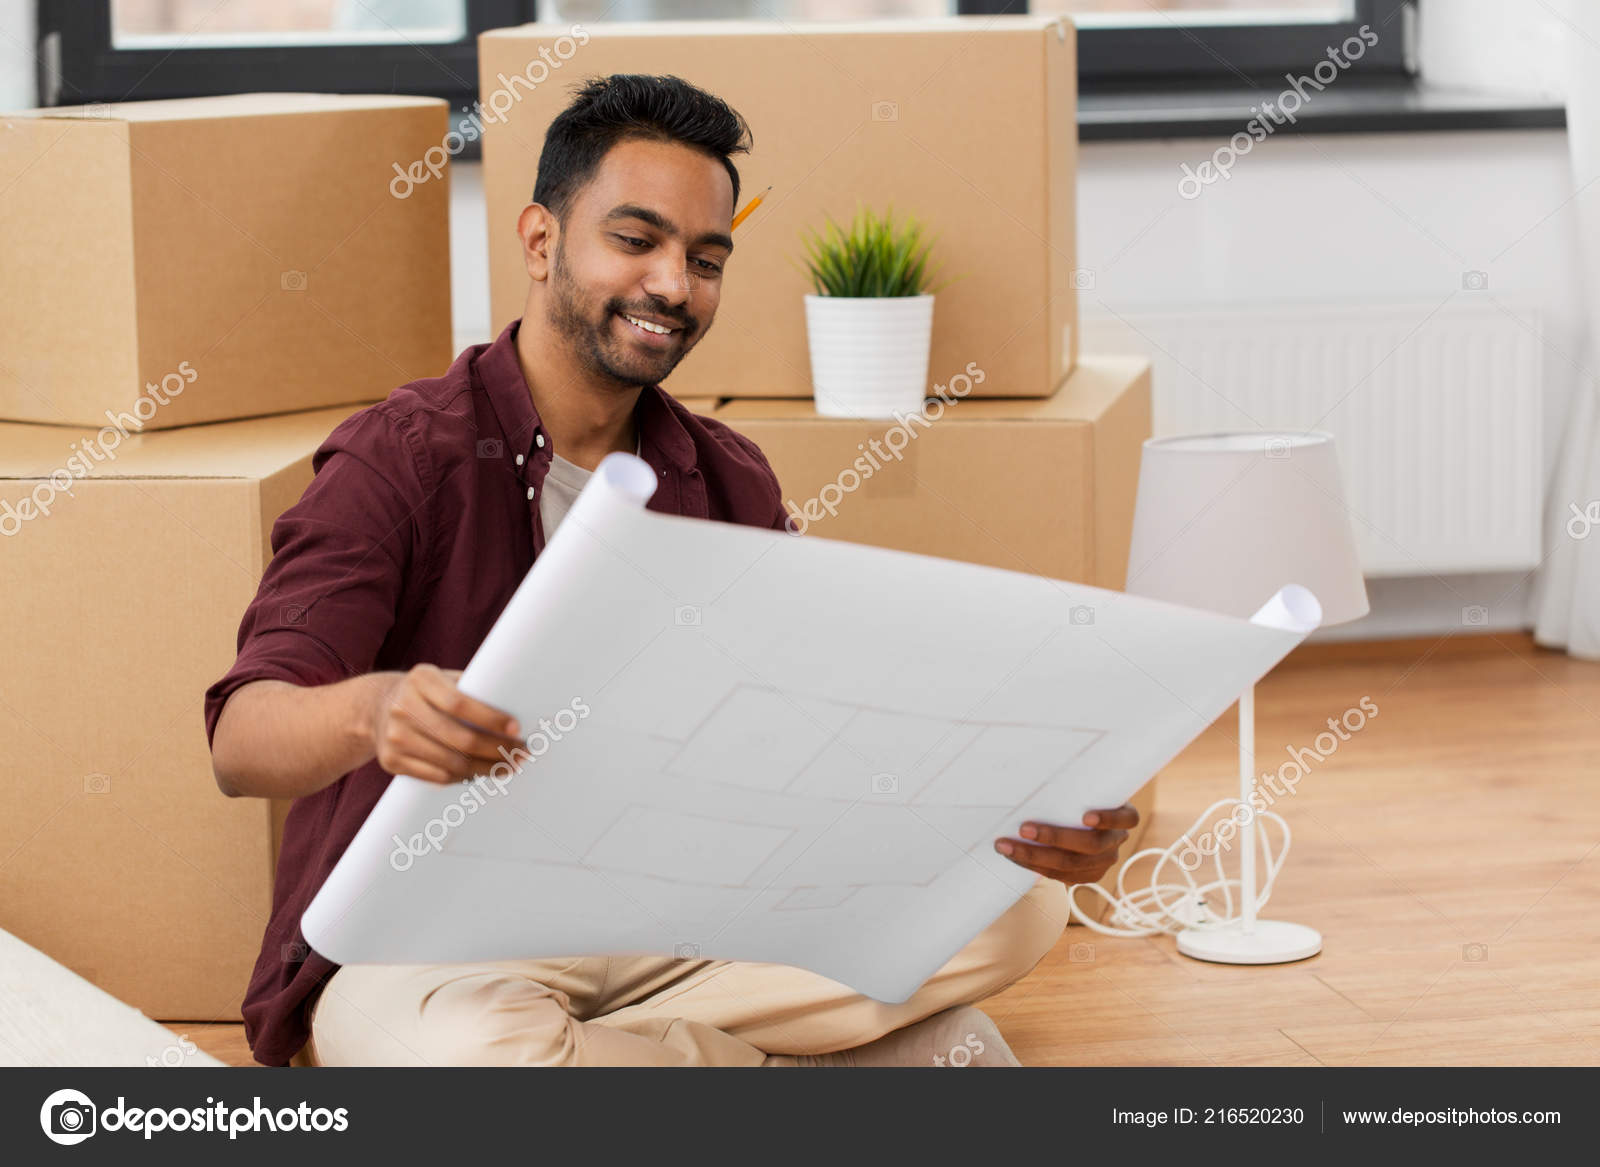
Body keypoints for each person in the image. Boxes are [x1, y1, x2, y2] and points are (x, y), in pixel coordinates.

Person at [205, 73, 1137, 1068]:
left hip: (678, 919)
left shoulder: (727, 477)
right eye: (635, 240)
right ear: (539, 241)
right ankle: (820, 1063)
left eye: (706, 259)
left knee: (1018, 904)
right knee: (464, 1052)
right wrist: (376, 711)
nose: (673, 287)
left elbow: (814, 728)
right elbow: (241, 738)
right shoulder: (401, 454)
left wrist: (1022, 808)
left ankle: (622, 1060)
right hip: (440, 938)